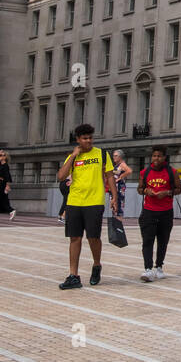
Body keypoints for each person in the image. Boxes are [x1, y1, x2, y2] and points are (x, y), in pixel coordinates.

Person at [57, 125, 116, 291]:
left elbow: (110, 176)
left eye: (90, 137)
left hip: (95, 202)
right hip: (75, 201)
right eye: (84, 138)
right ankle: (73, 275)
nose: (88, 141)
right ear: (78, 139)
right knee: (74, 238)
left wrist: (114, 197)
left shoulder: (102, 154)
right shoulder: (73, 157)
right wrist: (73, 156)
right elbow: (61, 176)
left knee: (93, 238)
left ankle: (96, 265)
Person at [137, 145, 181, 282]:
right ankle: (148, 269)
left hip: (166, 212)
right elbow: (139, 188)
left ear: (164, 157)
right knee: (147, 241)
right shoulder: (145, 172)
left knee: (163, 241)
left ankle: (159, 266)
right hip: (149, 211)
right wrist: (146, 191)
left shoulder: (172, 172)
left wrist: (167, 192)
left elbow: (179, 189)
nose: (156, 158)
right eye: (154, 156)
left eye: (159, 156)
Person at [110, 149, 133, 217]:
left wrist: (120, 177)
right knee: (114, 204)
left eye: (116, 156)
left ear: (120, 157)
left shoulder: (122, 164)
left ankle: (117, 222)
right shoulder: (117, 165)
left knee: (118, 204)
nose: (114, 157)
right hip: (115, 187)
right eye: (113, 156)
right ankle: (115, 221)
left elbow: (129, 171)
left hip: (119, 187)